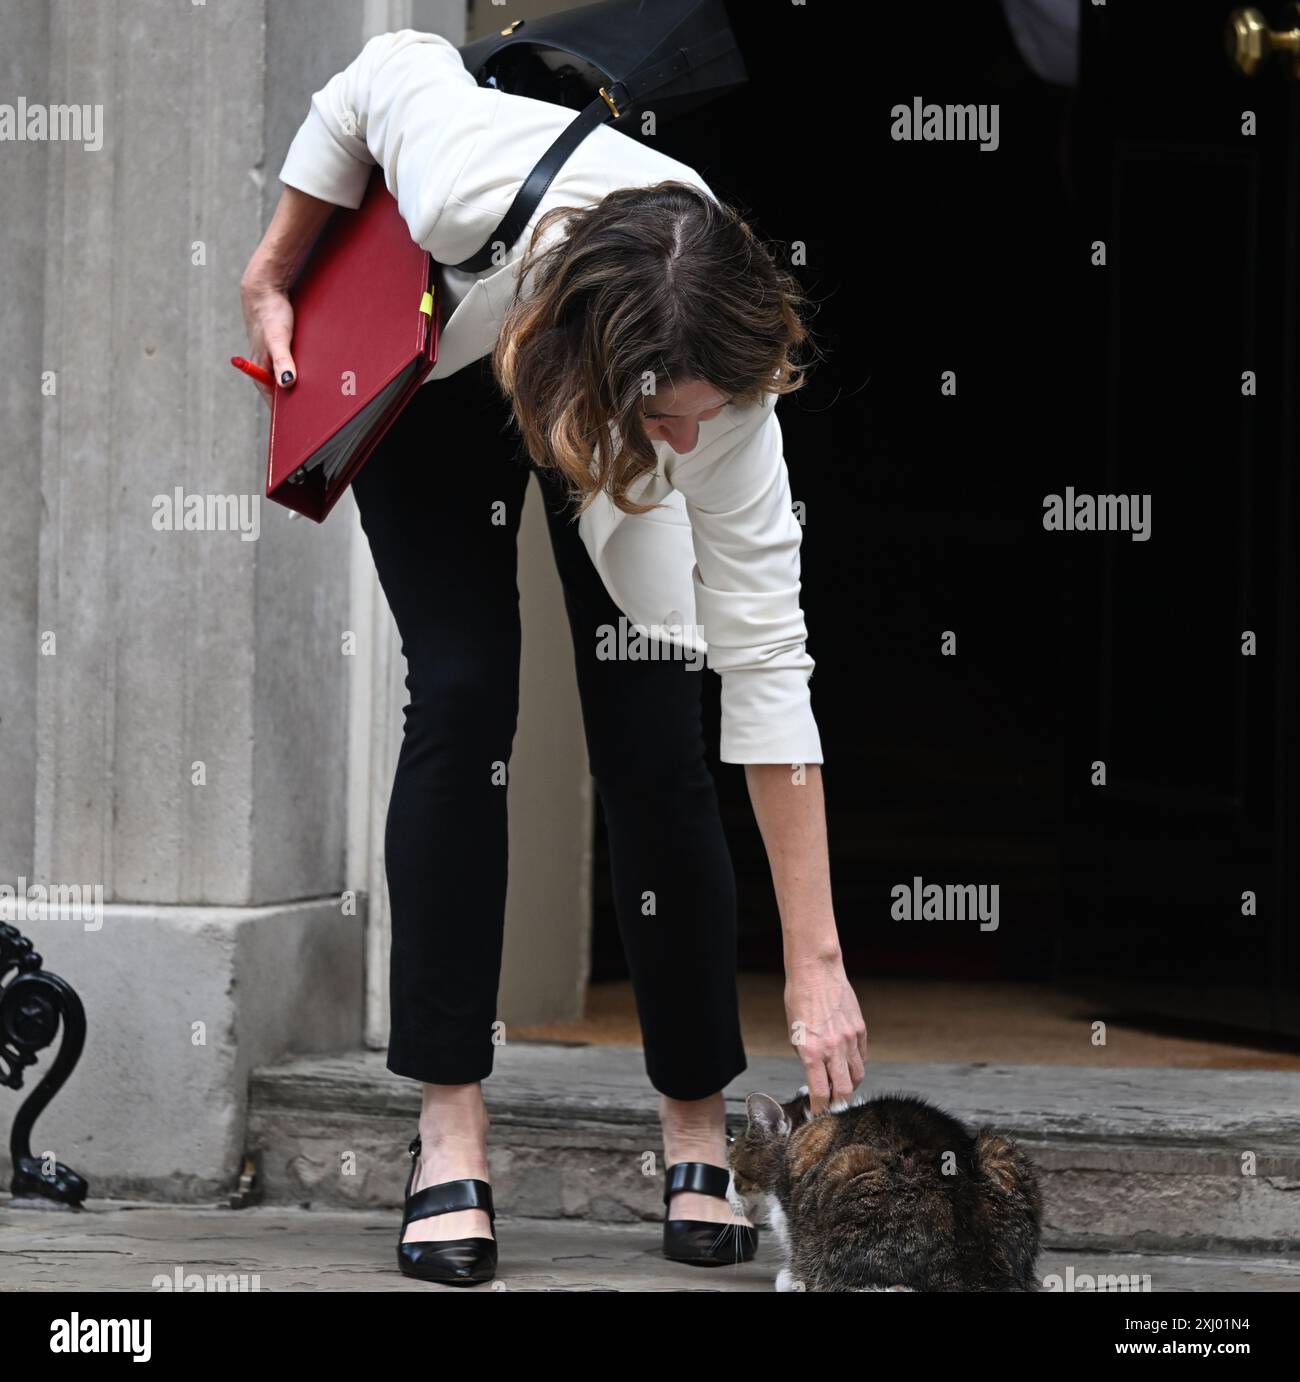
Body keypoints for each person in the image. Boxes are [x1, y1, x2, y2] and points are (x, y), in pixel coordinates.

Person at [240, 28, 865, 1286]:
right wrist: (272, 269)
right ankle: (448, 1125)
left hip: (600, 388)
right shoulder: (467, 174)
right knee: (464, 695)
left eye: (712, 414)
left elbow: (769, 662)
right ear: (619, 378)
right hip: (450, 352)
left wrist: (818, 964)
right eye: (680, 416)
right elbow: (375, 73)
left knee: (652, 732)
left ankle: (694, 1123)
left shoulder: (722, 392)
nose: (703, 435)